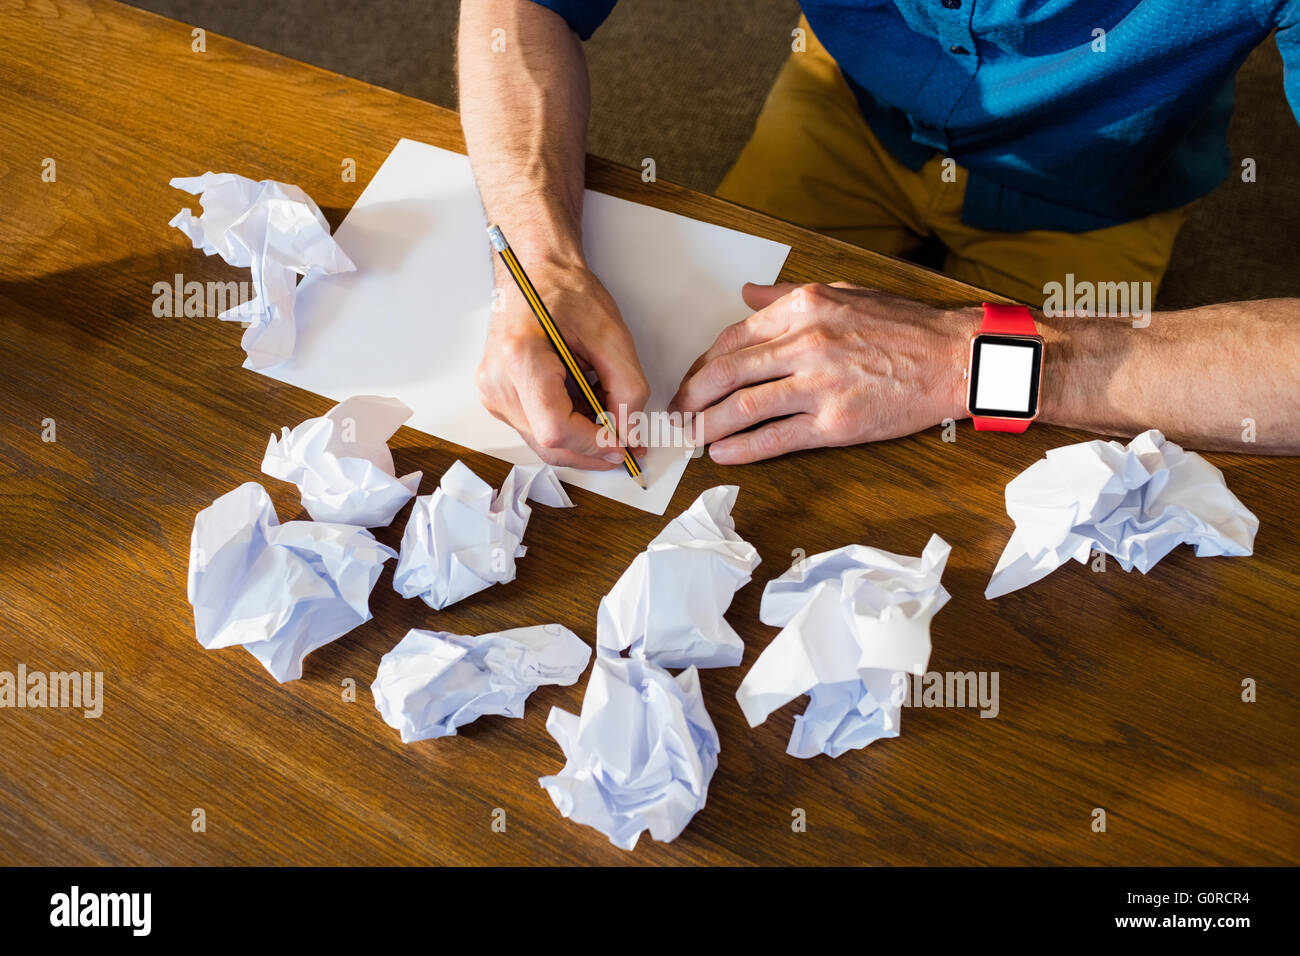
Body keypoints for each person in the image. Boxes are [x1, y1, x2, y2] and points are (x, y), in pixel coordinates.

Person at [458, 0, 1300, 464]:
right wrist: (541, 260)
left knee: (1015, 505)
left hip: (1104, 178)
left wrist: (975, 362)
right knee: (702, 387)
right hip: (852, 100)